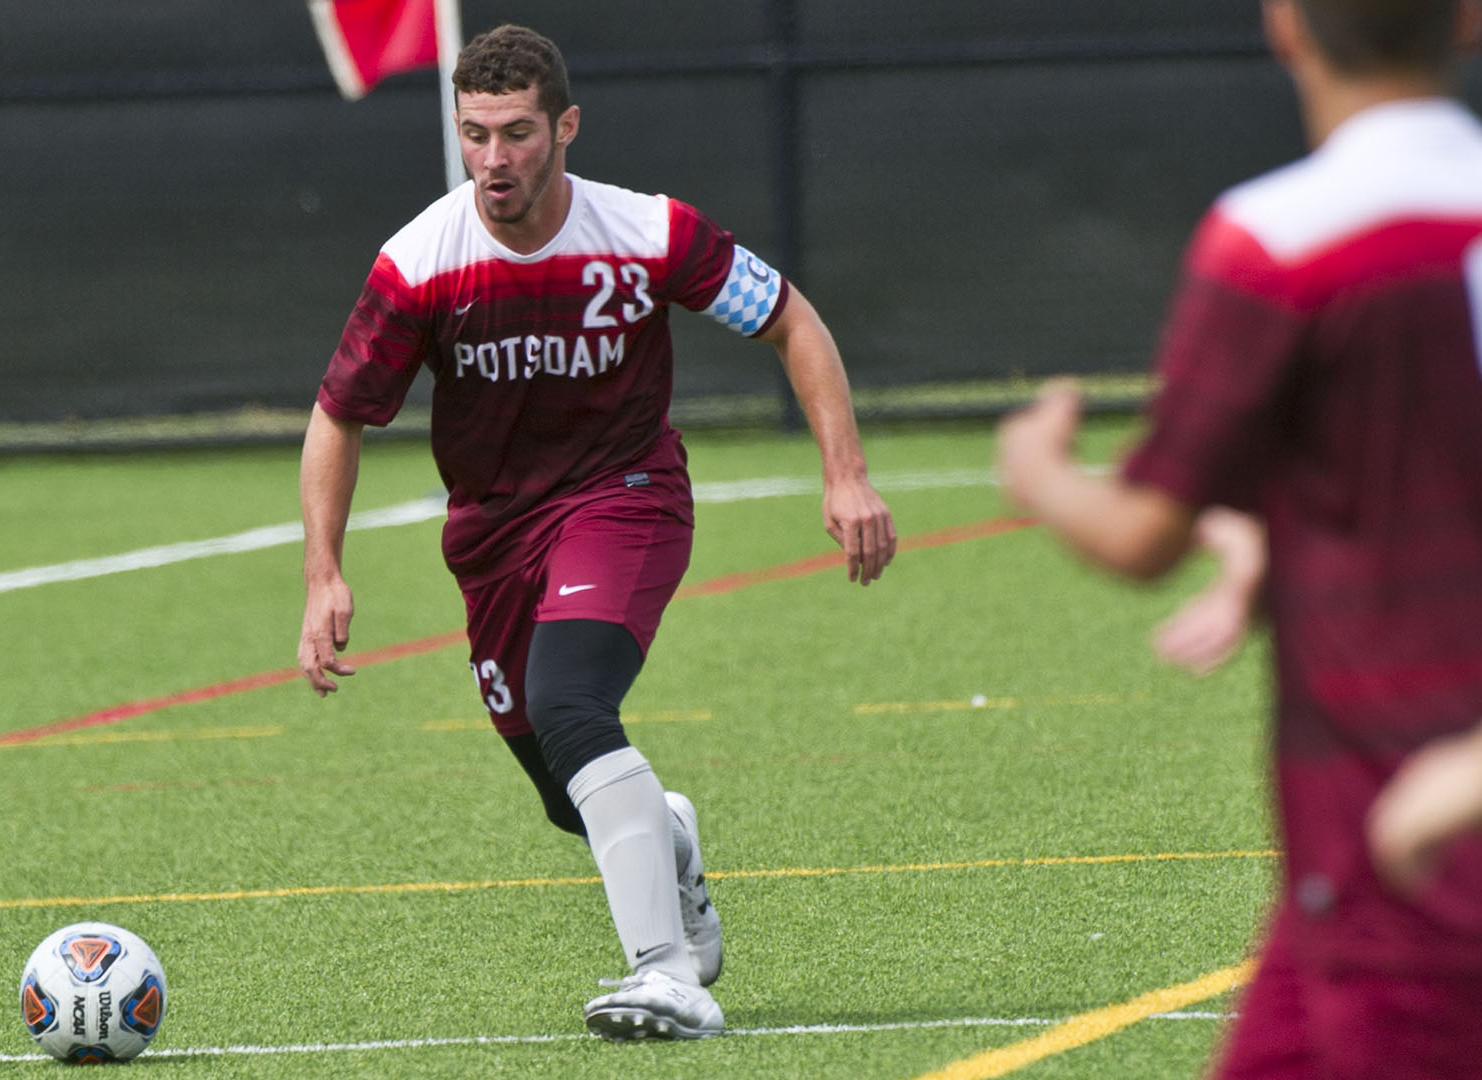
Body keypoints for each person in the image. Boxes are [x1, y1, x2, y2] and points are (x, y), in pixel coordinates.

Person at [296, 24, 895, 1040]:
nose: (495, 160)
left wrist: (846, 476)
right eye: (476, 134)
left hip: (626, 500)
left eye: (518, 133)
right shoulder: (418, 263)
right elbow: (339, 413)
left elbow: (792, 317)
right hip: (492, 537)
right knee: (565, 786)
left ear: (565, 127)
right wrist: (324, 574)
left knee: (570, 702)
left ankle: (668, 975)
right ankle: (668, 839)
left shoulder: (648, 232)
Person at [996, 0, 1482, 1074]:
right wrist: (1267, 551)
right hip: (1344, 881)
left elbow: (1141, 535)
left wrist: (1039, 471)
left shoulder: (1280, 238)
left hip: (1407, 854)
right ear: (1468, 20)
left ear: (1285, 27)